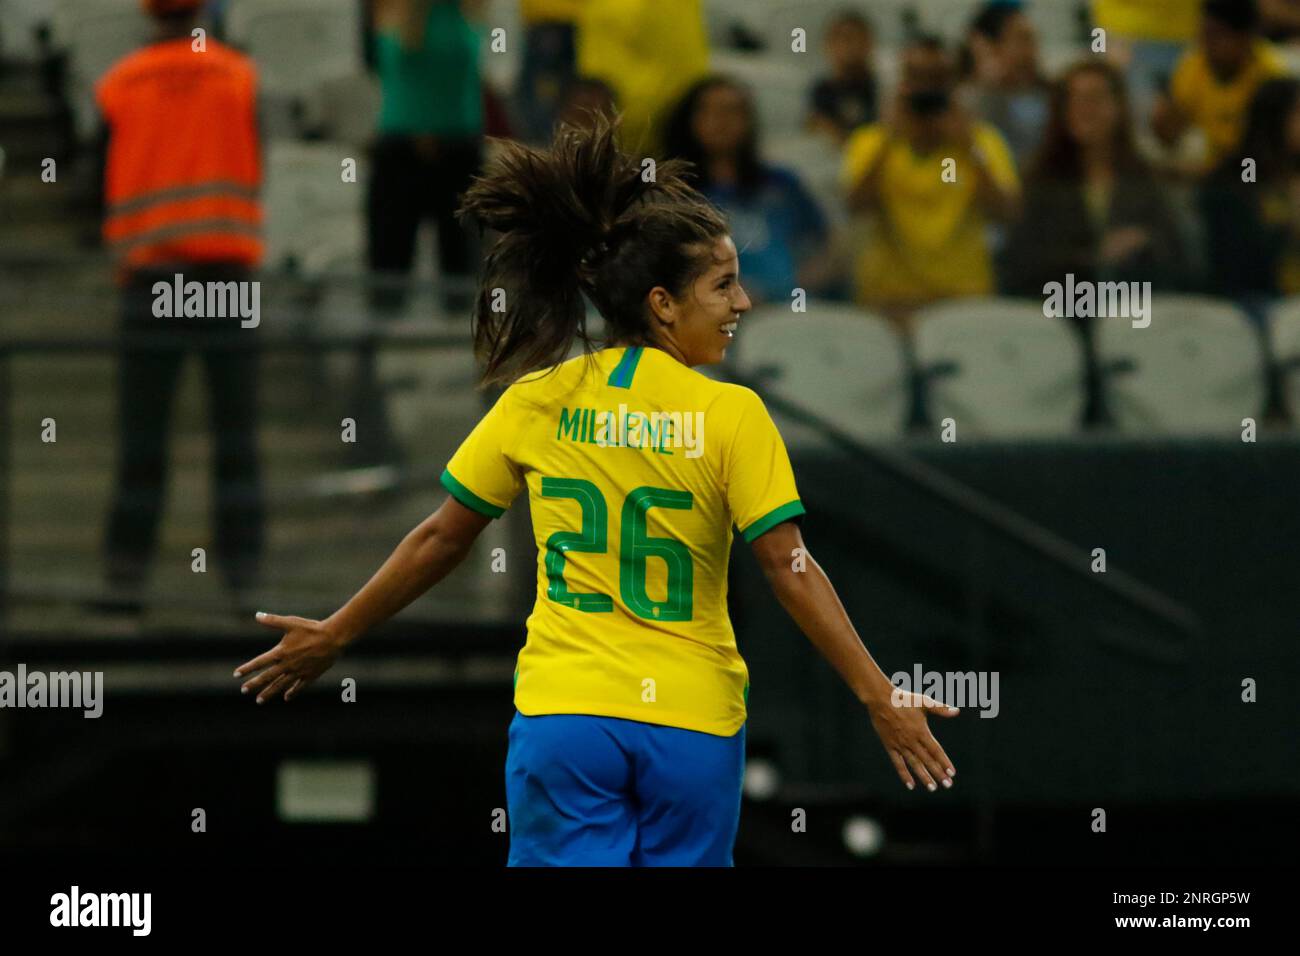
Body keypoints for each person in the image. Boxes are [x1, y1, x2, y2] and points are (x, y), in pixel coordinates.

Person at [234, 117, 960, 867]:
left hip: (568, 717)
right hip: (691, 724)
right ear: (662, 304)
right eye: (723, 284)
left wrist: (339, 632)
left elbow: (441, 536)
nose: (743, 303)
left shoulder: (536, 399)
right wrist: (878, 694)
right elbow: (788, 566)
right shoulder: (731, 413)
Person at [95, 0, 265, 614]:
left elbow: (98, 188)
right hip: (227, 276)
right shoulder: (238, 77)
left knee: (142, 438)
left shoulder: (118, 84)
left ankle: (123, 579)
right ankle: (243, 579)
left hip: (151, 284)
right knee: (235, 437)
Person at [1003, 61, 1188, 425]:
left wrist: (1144, 243)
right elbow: (1020, 264)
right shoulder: (1039, 180)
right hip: (1060, 322)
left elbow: (1181, 260)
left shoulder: (1144, 177)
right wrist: (1091, 258)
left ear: (1118, 107)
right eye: (1076, 100)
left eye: (1097, 98)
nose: (1086, 109)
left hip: (1138, 324)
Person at [842, 36, 1021, 320]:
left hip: (964, 297)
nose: (925, 88)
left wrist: (968, 147)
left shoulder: (982, 141)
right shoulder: (871, 141)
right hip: (891, 298)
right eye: (916, 77)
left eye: (936, 78)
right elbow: (856, 207)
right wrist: (890, 138)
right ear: (900, 83)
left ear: (953, 85)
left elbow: (1006, 213)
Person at [663, 76, 832, 305]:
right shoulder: (674, 193)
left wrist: (799, 282)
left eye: (732, 111)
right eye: (711, 111)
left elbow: (829, 244)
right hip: (707, 314)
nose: (722, 121)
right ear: (691, 121)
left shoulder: (782, 184)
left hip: (785, 308)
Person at [366, 0, 484, 315]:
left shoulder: (470, 9)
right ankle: (379, 354)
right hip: (401, 152)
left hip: (458, 151)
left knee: (463, 273)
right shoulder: (392, 10)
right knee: (387, 274)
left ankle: (468, 355)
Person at [1153, 0, 1285, 175]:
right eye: (1203, 35)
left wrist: (1209, 173)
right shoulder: (1194, 67)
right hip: (1213, 179)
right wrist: (1163, 126)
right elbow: (1171, 135)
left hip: (1258, 176)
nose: (1206, 45)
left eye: (1216, 36)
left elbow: (1264, 156)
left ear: (1244, 38)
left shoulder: (1271, 77)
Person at [962, 1, 1052, 170]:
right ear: (994, 47)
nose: (1032, 49)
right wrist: (987, 89)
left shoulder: (1051, 94)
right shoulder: (969, 98)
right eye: (1022, 39)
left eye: (1033, 39)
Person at [807, 9, 879, 144]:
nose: (849, 46)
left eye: (856, 38)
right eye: (843, 38)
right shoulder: (820, 91)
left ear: (869, 43)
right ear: (828, 45)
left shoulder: (883, 89)